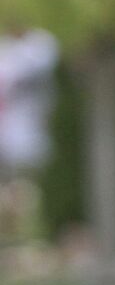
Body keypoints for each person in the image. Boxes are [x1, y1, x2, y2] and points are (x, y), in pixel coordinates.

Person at [0, 24, 59, 251]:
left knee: (27, 187)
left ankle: (31, 237)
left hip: (28, 130)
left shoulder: (39, 46)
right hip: (10, 133)